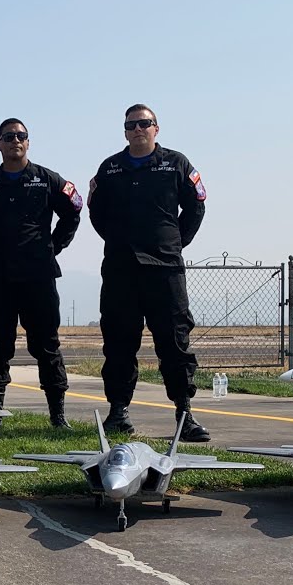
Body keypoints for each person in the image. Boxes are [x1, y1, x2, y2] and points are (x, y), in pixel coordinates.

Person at [88, 104, 209, 441]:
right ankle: (118, 412)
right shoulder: (110, 168)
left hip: (165, 270)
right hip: (120, 270)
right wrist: (118, 239)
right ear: (125, 131)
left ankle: (185, 414)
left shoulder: (176, 163)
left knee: (174, 342)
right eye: (131, 125)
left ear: (156, 128)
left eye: (144, 124)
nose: (138, 129)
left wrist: (174, 241)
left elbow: (196, 205)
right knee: (118, 342)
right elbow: (96, 213)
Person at [0, 118, 81, 430]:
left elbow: (73, 211)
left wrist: (52, 247)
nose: (15, 140)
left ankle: (58, 415)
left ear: (28, 142)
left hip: (38, 276)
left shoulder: (46, 180)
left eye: (21, 136)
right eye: (8, 136)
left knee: (46, 344)